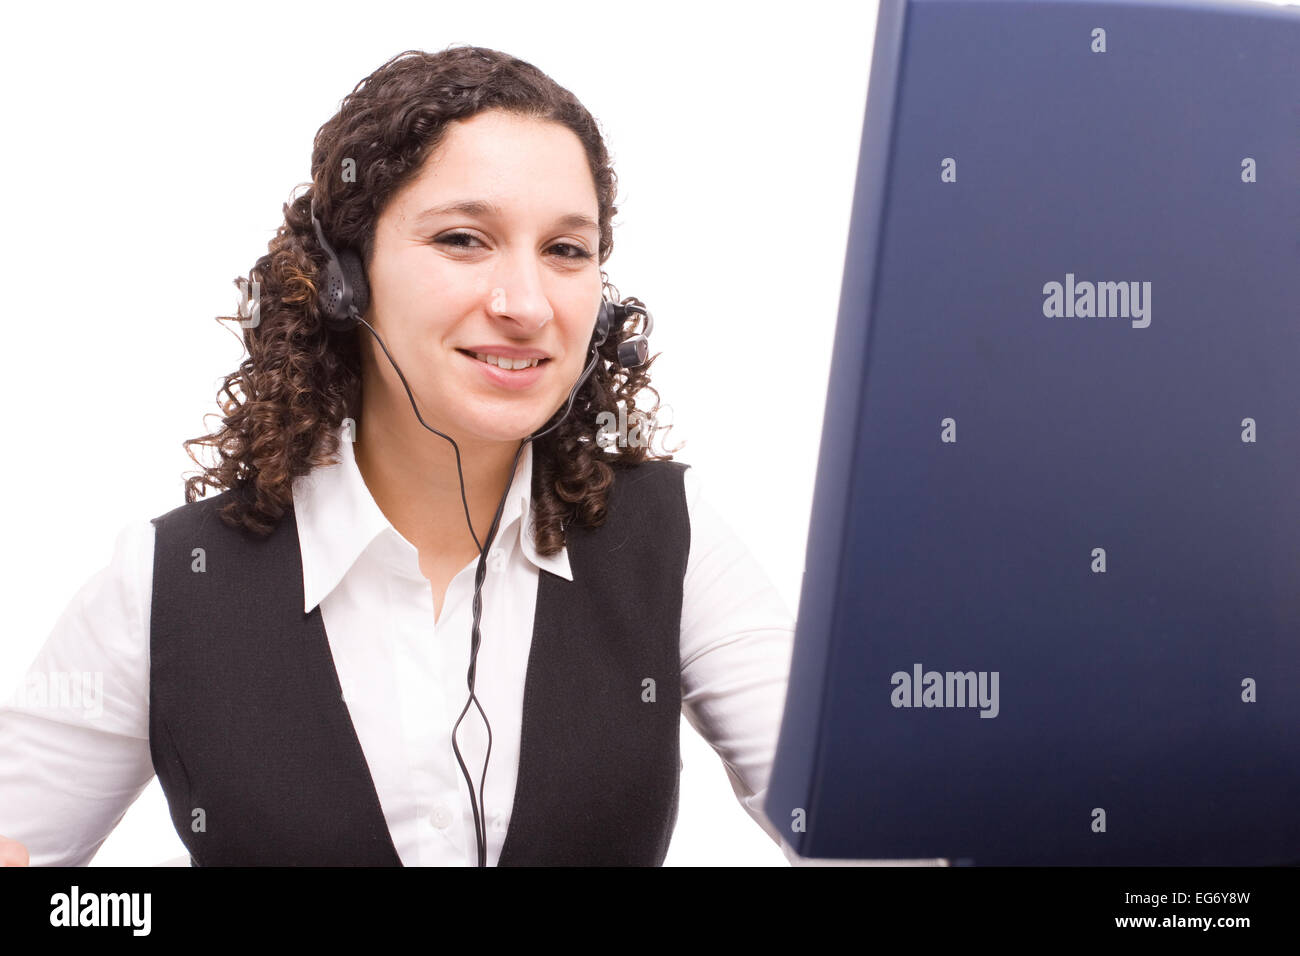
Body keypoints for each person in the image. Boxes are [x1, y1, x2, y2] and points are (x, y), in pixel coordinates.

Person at [0, 45, 798, 866]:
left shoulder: (673, 543)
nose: (525, 304)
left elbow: (860, 826)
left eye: (566, 251)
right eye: (462, 239)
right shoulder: (169, 582)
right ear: (346, 278)